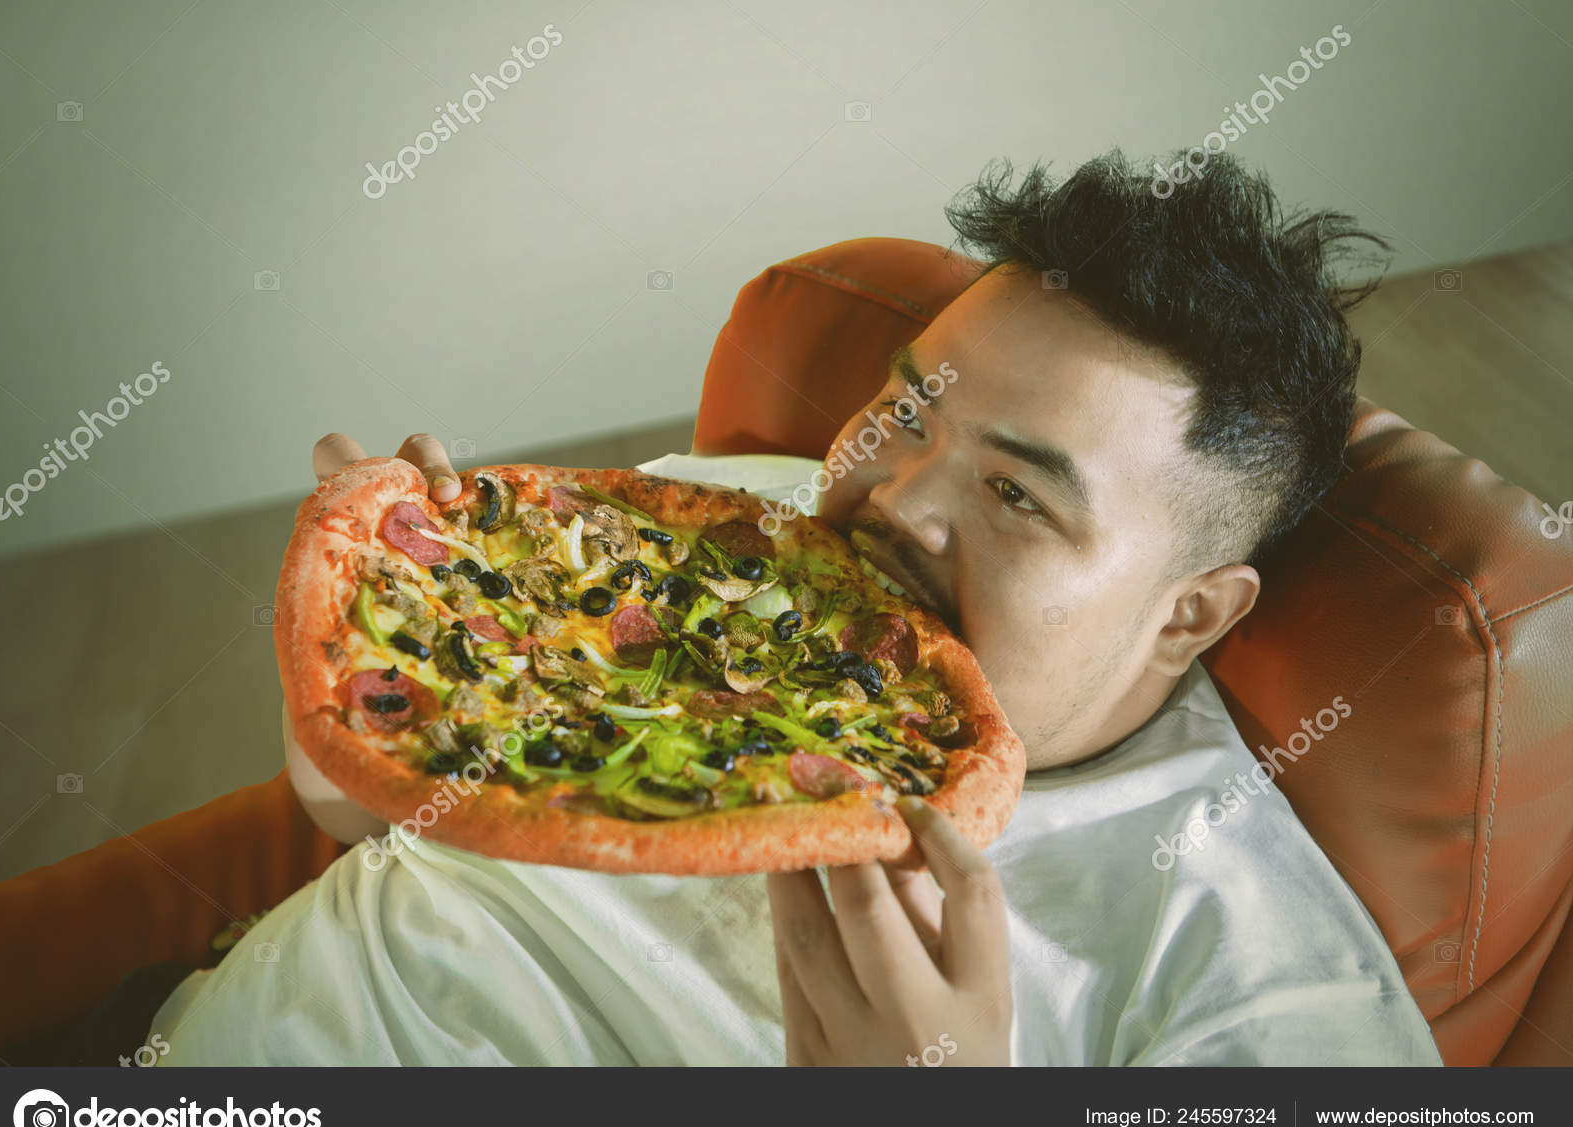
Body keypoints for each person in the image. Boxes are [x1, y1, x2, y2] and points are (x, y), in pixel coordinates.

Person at [149, 150, 1442, 1066]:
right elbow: (349, 815)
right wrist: (390, 646)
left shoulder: (1255, 983)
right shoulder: (693, 525)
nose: (893, 504)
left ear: (1190, 614)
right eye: (907, 411)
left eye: (1018, 496)